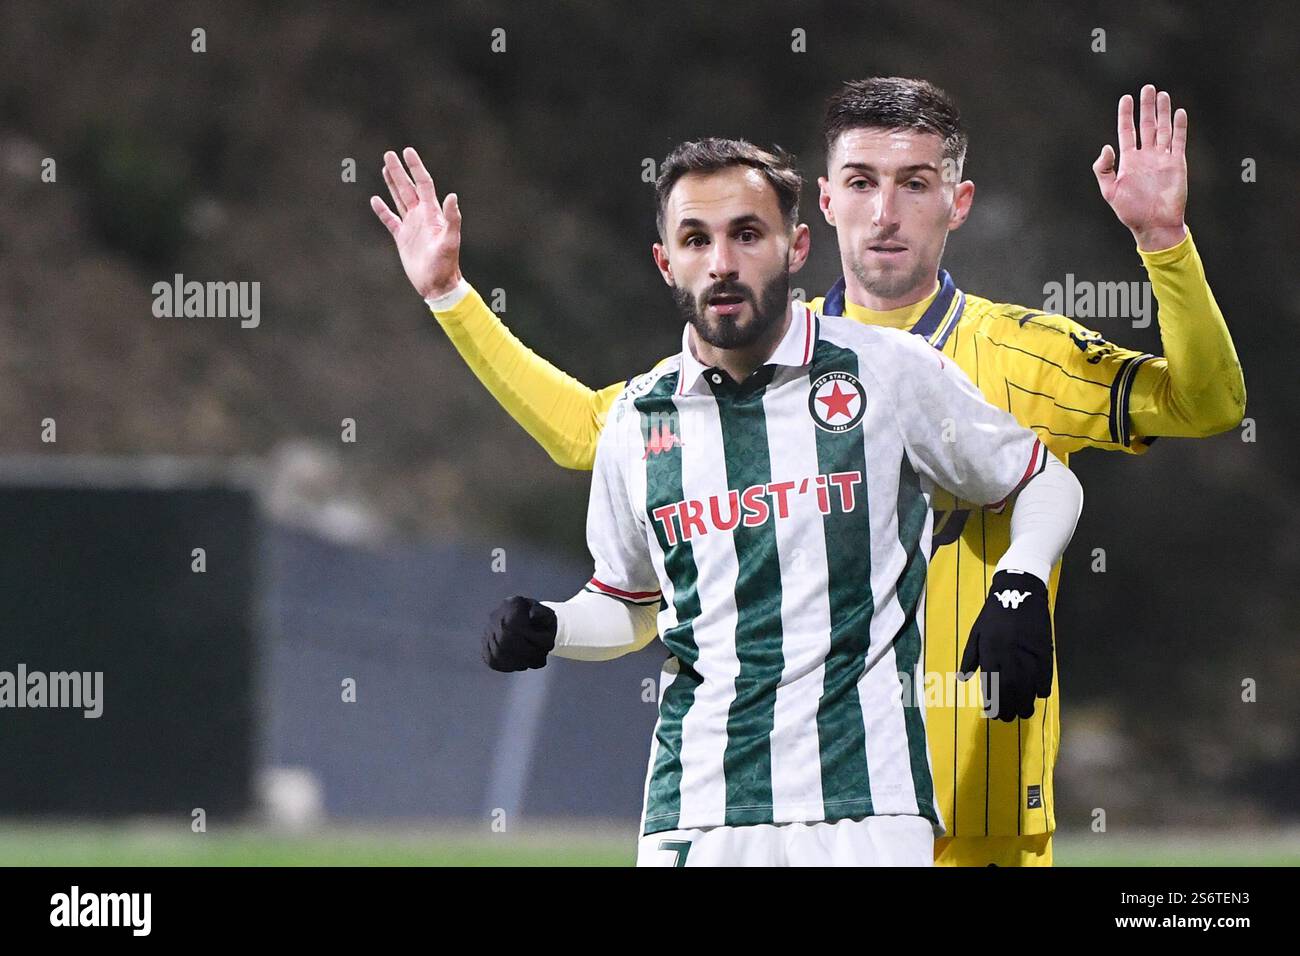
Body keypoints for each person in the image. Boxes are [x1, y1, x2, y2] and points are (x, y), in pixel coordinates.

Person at [376, 138, 1084, 866]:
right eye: (695, 239)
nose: (721, 262)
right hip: (696, 815)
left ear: (796, 247)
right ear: (666, 262)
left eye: (747, 234)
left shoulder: (888, 375)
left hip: (867, 808)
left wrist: (1020, 581)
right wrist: (550, 625)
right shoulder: (638, 419)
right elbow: (628, 604)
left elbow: (1043, 478)